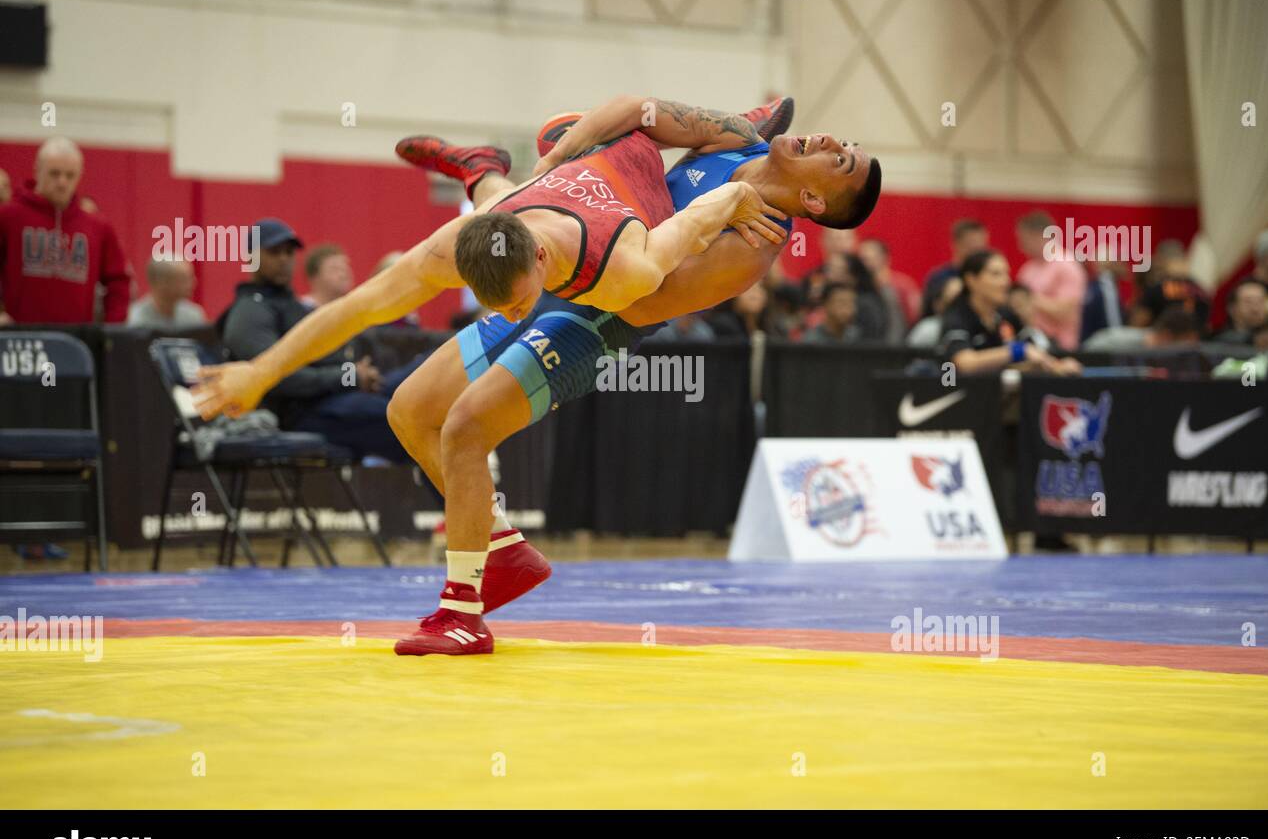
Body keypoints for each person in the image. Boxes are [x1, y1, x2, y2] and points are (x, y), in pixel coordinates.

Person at [194, 94, 882, 657]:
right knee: (408, 410)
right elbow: (637, 110)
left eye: (840, 159)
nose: (828, 140)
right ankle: (500, 545)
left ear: (816, 204)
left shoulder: (749, 253)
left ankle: (462, 611)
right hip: (561, 258)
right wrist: (558, 160)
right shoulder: (736, 141)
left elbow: (640, 295)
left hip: (598, 311)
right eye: (838, 141)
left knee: (463, 429)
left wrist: (684, 208)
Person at [217, 217, 413, 465]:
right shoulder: (249, 312)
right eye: (274, 252)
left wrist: (359, 375)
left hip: (337, 394)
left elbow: (327, 359)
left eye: (289, 252)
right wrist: (350, 376)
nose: (284, 259)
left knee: (425, 371)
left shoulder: (293, 306)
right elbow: (276, 378)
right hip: (301, 413)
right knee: (407, 417)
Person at [0, 137, 130, 325]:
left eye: (70, 175)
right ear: (37, 170)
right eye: (54, 174)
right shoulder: (9, 217)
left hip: (75, 341)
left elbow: (118, 281)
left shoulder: (97, 227)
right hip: (21, 337)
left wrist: (112, 330)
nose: (62, 182)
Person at [940, 250, 1080, 375]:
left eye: (1006, 274)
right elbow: (965, 363)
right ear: (971, 280)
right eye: (996, 274)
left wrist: (1057, 365)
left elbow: (1033, 352)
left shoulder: (1006, 316)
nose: (1005, 282)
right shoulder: (957, 317)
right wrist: (1017, 352)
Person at [1015, 210, 1087, 351]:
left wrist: (1028, 299)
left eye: (1023, 239)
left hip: (1059, 347)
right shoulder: (1027, 269)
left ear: (1037, 236)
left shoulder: (1067, 265)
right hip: (1032, 342)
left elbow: (1066, 312)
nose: (1020, 244)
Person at [921, 218, 988, 318]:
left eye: (980, 246)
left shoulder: (988, 278)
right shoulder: (939, 277)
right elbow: (930, 312)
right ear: (956, 244)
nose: (976, 252)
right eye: (970, 246)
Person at [128, 254, 207, 330]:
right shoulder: (134, 319)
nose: (193, 283)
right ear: (161, 283)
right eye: (184, 280)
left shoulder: (194, 316)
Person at [1215, 278, 1268, 344]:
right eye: (1248, 302)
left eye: (1260, 302)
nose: (1255, 309)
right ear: (1232, 309)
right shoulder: (1219, 344)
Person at [300, 243, 354, 309]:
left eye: (344, 268)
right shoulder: (301, 310)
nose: (343, 275)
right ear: (315, 278)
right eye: (335, 269)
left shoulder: (353, 308)